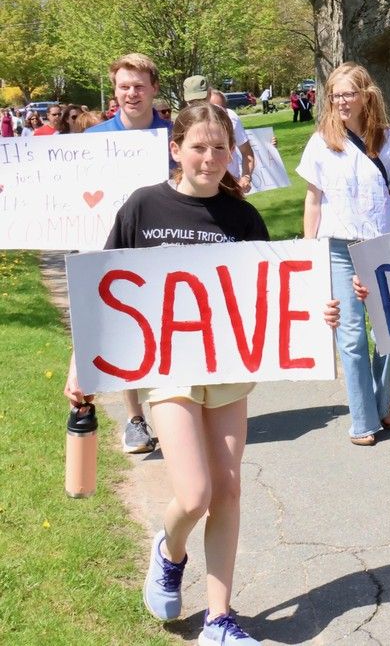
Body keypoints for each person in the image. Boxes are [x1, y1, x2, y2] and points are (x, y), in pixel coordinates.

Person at [64, 101, 341, 646]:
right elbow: (104, 286)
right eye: (198, 147)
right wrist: (82, 362)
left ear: (232, 152)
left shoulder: (243, 217)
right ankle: (169, 552)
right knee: (194, 495)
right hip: (167, 367)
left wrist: (316, 310)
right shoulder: (144, 206)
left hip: (228, 364)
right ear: (176, 150)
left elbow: (271, 290)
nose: (210, 158)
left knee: (229, 490)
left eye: (220, 148)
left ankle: (219, 618)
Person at [296, 62, 390, 445]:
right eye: (336, 95)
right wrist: (310, 251)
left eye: (349, 93)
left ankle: (381, 399)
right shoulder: (321, 142)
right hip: (338, 248)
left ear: (366, 96)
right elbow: (313, 200)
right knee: (351, 337)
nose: (342, 101)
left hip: (383, 246)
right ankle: (363, 421)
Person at [86, 53, 173, 453]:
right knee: (129, 335)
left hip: (167, 248)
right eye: (124, 86)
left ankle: (177, 412)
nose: (132, 94)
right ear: (115, 90)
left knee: (170, 331)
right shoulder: (94, 139)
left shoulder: (175, 135)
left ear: (154, 88)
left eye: (139, 86)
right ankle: (135, 419)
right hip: (116, 248)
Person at [182, 75, 256, 193]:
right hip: (196, 191)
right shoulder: (182, 122)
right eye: (191, 102)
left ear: (209, 95)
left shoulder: (229, 117)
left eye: (200, 100)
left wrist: (246, 177)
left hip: (229, 188)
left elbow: (247, 152)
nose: (197, 106)